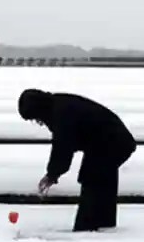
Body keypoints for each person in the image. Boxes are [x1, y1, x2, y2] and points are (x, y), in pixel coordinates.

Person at [17, 88, 137, 232]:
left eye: (35, 118)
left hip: (112, 142)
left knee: (91, 179)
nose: (38, 122)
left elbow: (63, 147)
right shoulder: (58, 104)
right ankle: (104, 224)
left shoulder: (60, 113)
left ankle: (88, 227)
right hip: (113, 141)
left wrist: (52, 175)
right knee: (102, 180)